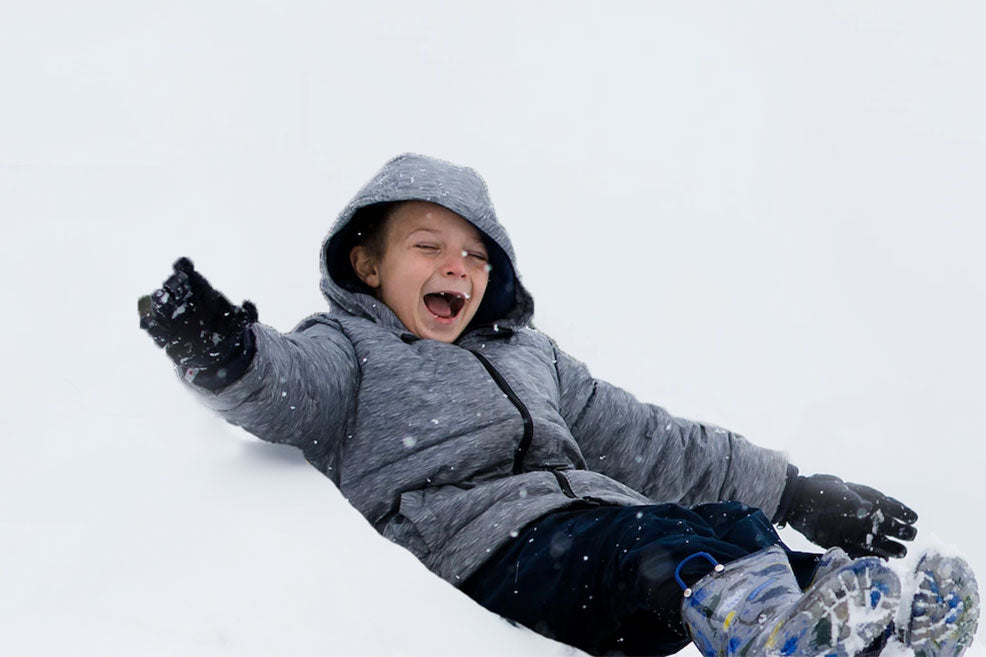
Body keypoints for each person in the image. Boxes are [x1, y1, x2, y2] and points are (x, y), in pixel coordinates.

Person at [139, 153, 978, 656]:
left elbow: (650, 438)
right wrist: (222, 349)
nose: (457, 267)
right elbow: (283, 388)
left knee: (726, 524)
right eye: (427, 246)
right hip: (491, 555)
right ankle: (776, 633)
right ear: (367, 265)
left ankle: (867, 623)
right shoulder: (347, 347)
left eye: (475, 255)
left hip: (599, 545)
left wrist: (791, 491)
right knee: (654, 540)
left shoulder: (530, 354)